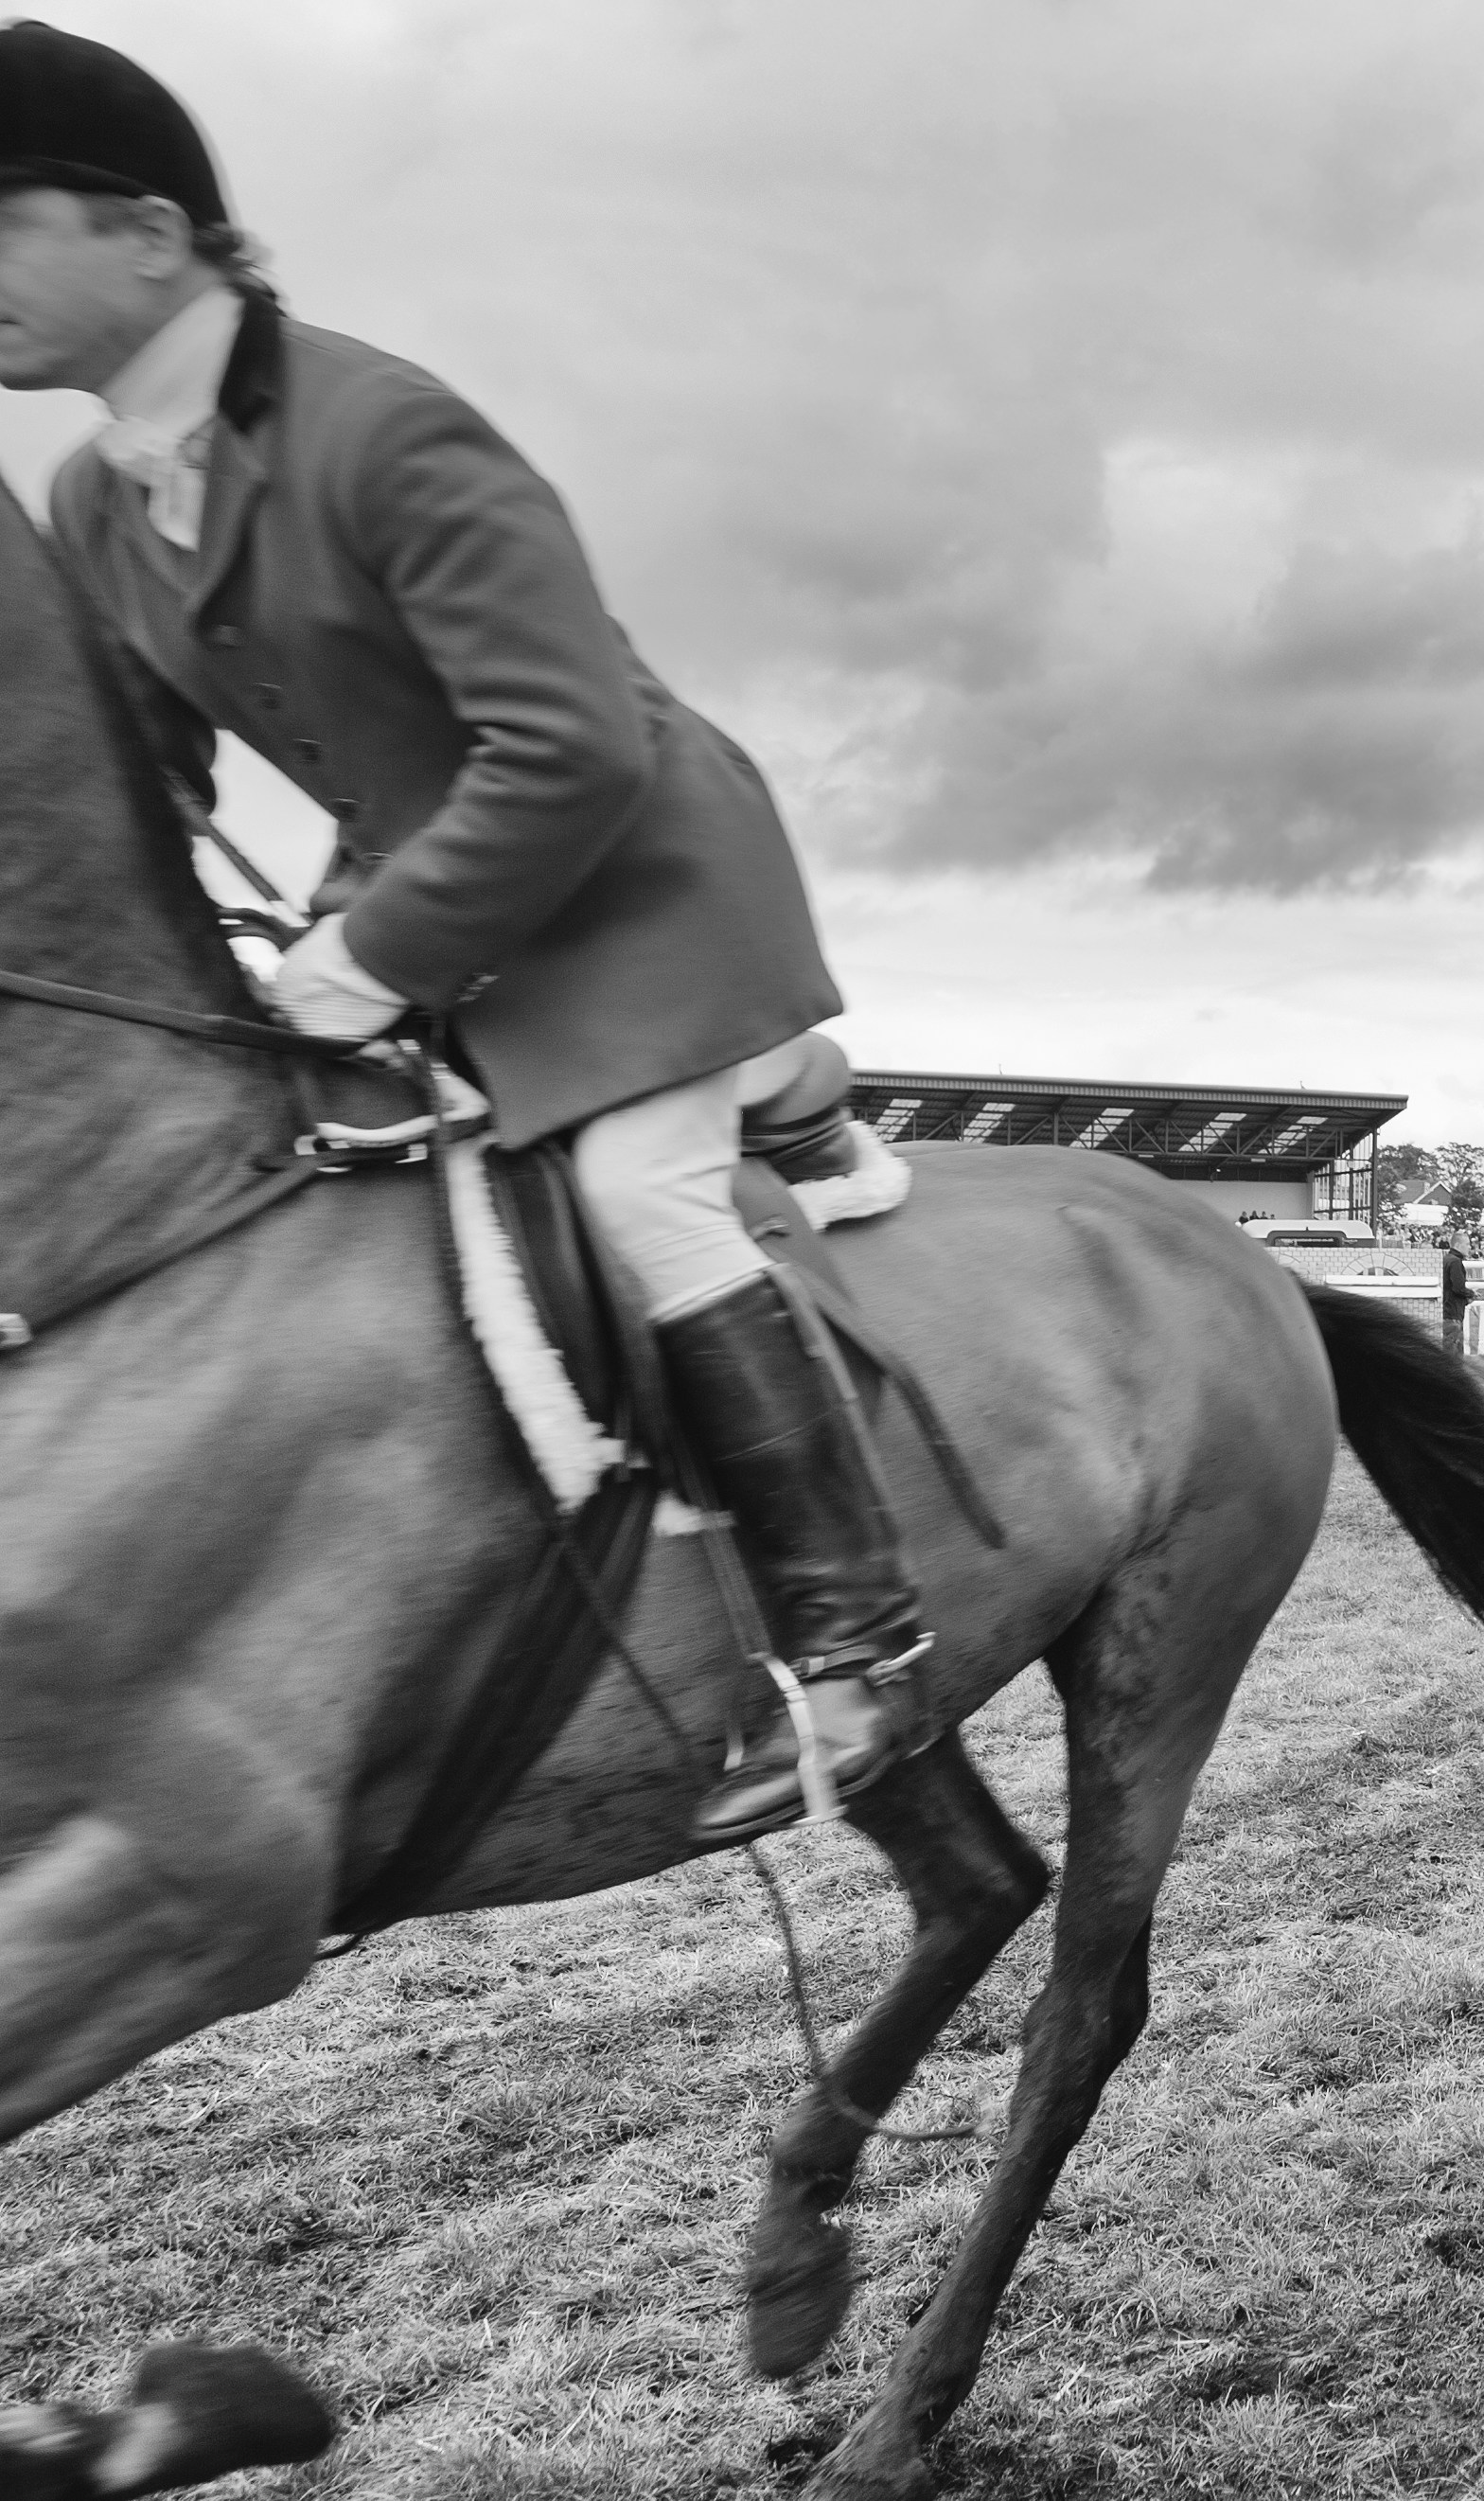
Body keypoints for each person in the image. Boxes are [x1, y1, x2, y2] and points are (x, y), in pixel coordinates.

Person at [0, 26, 915, 1844]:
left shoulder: (382, 425)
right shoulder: (99, 498)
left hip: (640, 881)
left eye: (3, 223)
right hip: (428, 888)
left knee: (640, 1197)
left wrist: (357, 961)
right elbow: (149, 780)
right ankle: (786, 1095)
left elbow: (568, 744)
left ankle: (851, 1642)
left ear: (153, 234)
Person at [1439, 1232, 1471, 1357]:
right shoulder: (1456, 1262)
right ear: (1458, 1245)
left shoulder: (1446, 1259)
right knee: (1454, 1354)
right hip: (1453, 1313)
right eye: (1467, 1244)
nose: (1469, 1247)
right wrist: (1471, 1294)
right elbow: (1458, 1288)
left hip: (1446, 1310)